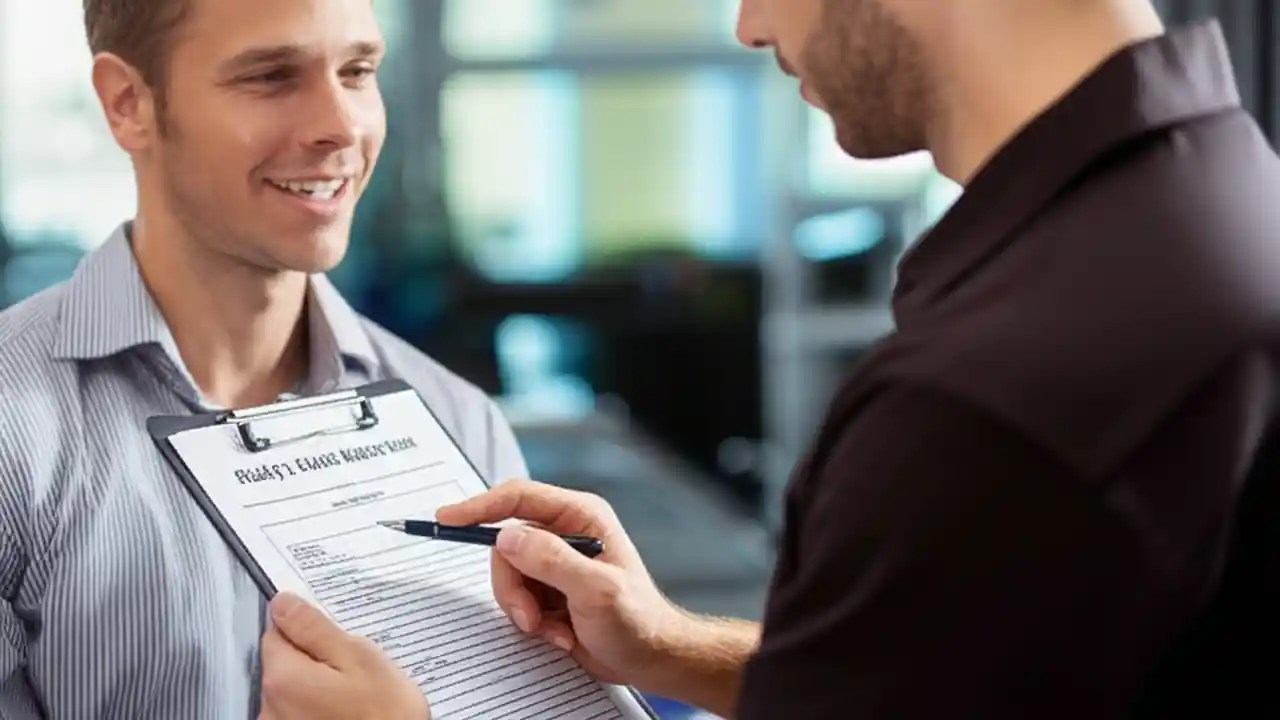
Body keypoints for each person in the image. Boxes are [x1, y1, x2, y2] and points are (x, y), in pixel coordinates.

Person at [261, 0, 1280, 717]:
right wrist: (666, 647)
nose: (749, 24)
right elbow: (959, 677)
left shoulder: (993, 390)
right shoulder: (1219, 204)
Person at [0, 0, 527, 717]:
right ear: (128, 104)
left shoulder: (463, 426)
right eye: (272, 76)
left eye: (358, 70)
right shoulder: (13, 430)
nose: (342, 127)